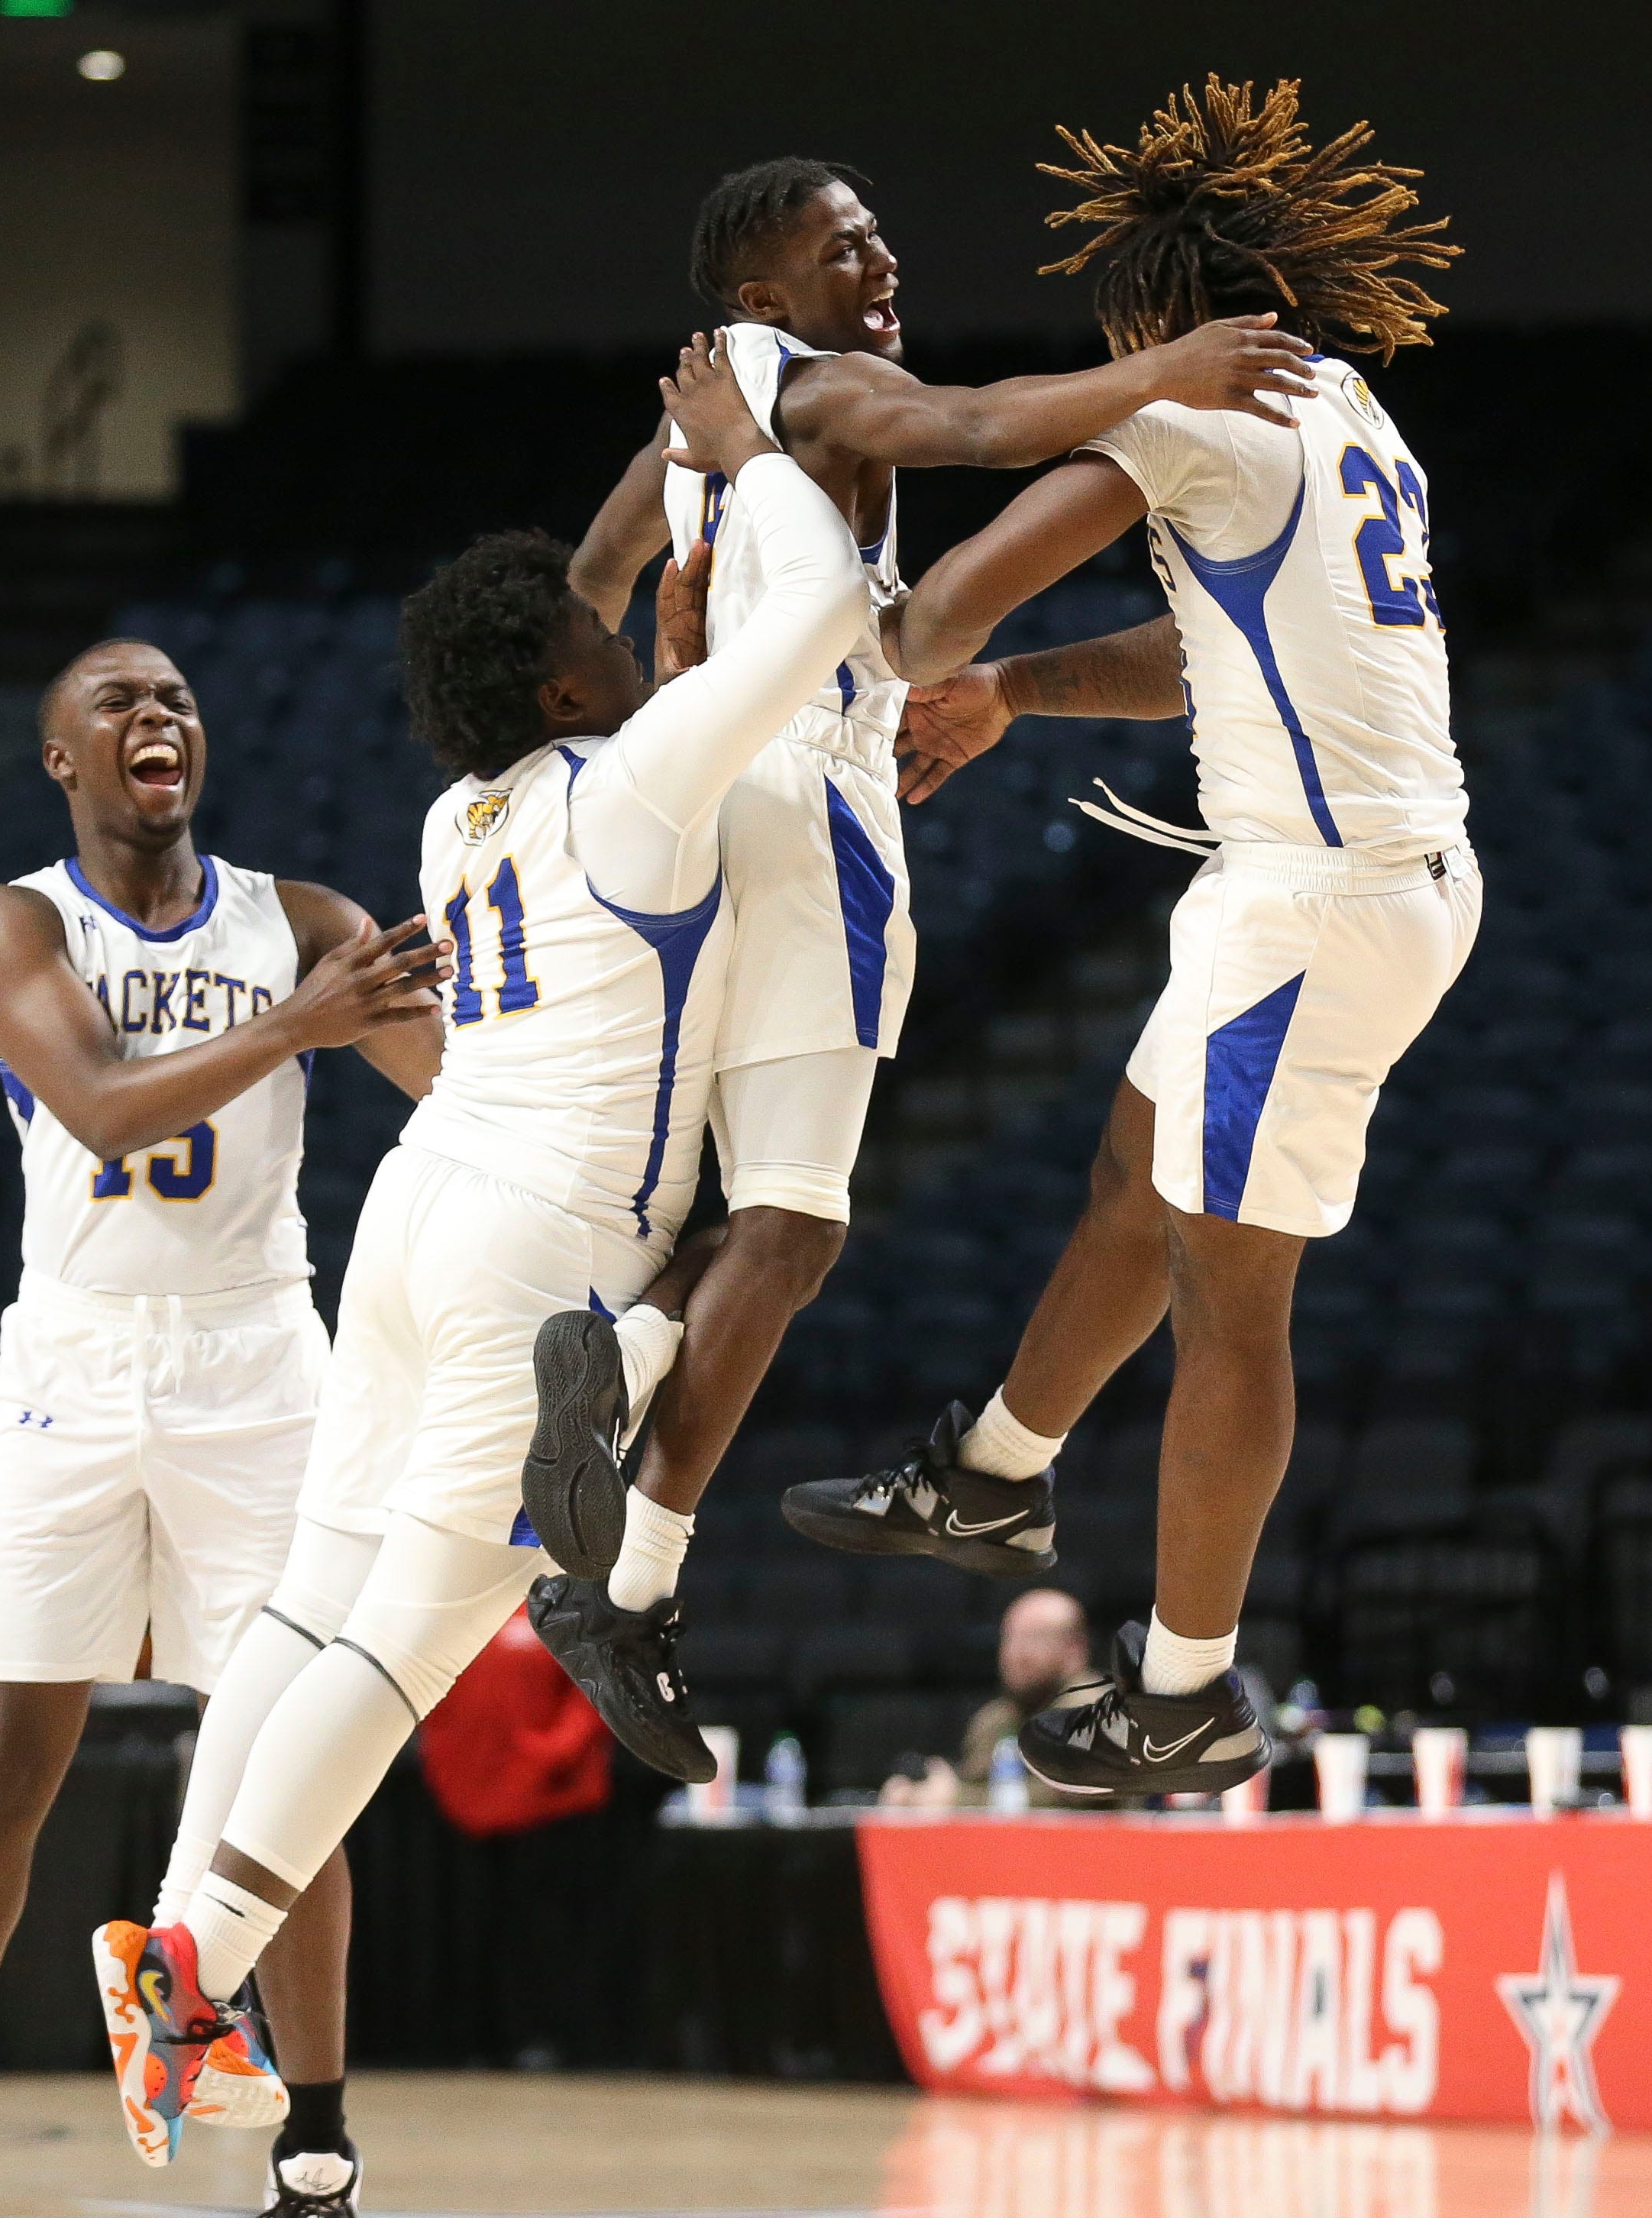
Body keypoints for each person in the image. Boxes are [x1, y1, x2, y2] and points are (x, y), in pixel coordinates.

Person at [89, 334, 867, 2160]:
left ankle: (173, 1928)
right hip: (541, 1240)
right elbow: (828, 606)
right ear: (557, 677)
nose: (622, 627)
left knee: (308, 1602)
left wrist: (659, 544)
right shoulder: (634, 781)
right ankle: (194, 1976)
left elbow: (612, 645)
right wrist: (742, 449)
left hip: (419, 1204)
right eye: (593, 629)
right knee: (406, 1645)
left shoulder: (459, 817)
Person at [523, 156, 1315, 1775]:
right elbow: (979, 427)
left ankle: (629, 1374)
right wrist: (1164, 372)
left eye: (881, 230)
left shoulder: (690, 422)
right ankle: (633, 1540)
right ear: (764, 293)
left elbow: (584, 587)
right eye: (842, 245)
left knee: (748, 1220)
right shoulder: (818, 389)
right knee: (795, 1226)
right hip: (810, 795)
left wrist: (586, 760)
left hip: (684, 801)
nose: (881, 258)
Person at [787, 79, 1479, 1799]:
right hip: (1328, 889)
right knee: (1130, 1173)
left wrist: (843, 608)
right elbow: (1204, 656)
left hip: (1314, 906)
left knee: (1228, 1299)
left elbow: (933, 613)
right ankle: (994, 1470)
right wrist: (1018, 693)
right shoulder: (1343, 411)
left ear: (1154, 316)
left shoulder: (1183, 416)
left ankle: (1184, 1690)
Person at [0, 638, 446, 2218]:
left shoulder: (302, 917)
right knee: (1, 1770)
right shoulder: (13, 923)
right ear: (60, 762)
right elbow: (90, 1108)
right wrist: (299, 1026)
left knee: (292, 1771)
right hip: (73, 1363)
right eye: (116, 703)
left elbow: (459, 1091)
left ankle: (315, 2170)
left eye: (174, 699)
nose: (155, 716)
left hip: (260, 1365)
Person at [879, 1587, 1096, 1810]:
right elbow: (976, 1784)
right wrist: (921, 1793)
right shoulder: (995, 1719)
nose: (1016, 1653)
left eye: (1034, 1639)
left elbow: (1071, 1795)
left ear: (1075, 1649)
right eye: (1009, 1639)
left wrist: (958, 1799)